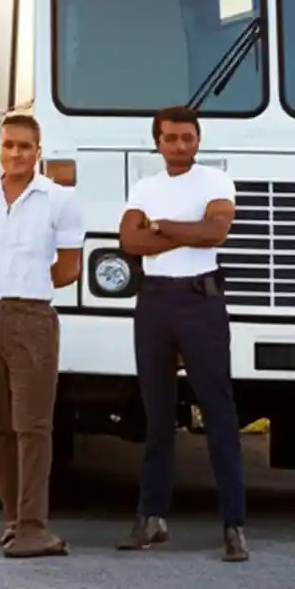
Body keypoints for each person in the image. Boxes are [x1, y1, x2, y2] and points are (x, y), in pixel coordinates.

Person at [117, 105, 248, 562]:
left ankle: (233, 525)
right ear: (157, 142)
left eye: (187, 137)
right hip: (154, 303)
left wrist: (162, 226)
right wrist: (183, 232)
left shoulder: (215, 181)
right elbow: (130, 242)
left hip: (201, 302)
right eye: (170, 137)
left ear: (198, 140)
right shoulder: (145, 186)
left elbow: (215, 232)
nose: (179, 145)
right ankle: (151, 518)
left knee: (218, 412)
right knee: (156, 416)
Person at [0, 114, 82, 558]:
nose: (16, 154)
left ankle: (33, 526)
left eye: (25, 147)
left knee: (32, 427)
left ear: (38, 151)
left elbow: (69, 268)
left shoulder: (60, 201)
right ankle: (13, 519)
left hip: (32, 318)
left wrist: (26, 283)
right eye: (9, 145)